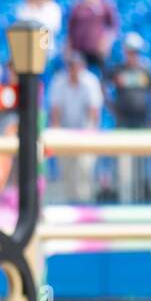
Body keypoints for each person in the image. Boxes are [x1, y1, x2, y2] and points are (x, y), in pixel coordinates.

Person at [48, 53, 103, 202]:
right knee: (67, 171)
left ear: (82, 67)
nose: (73, 69)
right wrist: (58, 135)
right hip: (65, 134)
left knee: (84, 171)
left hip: (85, 133)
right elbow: (55, 112)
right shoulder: (59, 81)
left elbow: (93, 112)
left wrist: (88, 135)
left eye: (76, 65)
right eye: (70, 65)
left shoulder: (90, 81)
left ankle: (84, 203)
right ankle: (70, 203)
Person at [66, 0, 119, 74]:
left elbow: (113, 26)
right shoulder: (77, 7)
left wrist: (106, 42)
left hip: (97, 51)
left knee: (101, 77)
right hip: (79, 50)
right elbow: (71, 29)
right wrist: (69, 47)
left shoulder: (104, 5)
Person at [109, 32, 151, 129]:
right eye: (131, 51)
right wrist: (112, 107)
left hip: (142, 120)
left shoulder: (145, 70)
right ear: (125, 51)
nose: (133, 55)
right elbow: (104, 87)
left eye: (136, 52)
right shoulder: (118, 70)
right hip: (123, 120)